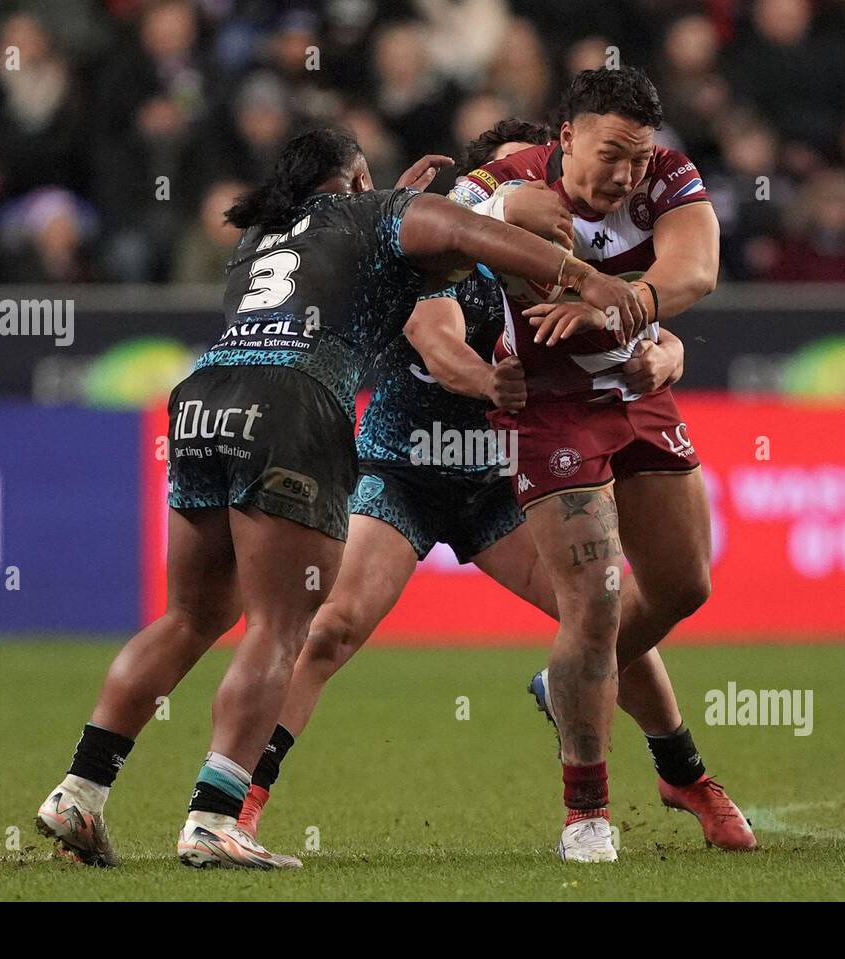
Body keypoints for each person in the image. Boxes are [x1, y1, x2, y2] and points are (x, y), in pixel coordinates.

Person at [34, 126, 644, 871]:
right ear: (356, 180)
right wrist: (587, 280)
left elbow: (380, 257)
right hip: (291, 406)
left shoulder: (261, 236)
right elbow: (470, 234)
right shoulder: (379, 214)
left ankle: (79, 793)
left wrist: (403, 199)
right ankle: (214, 819)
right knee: (279, 627)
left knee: (190, 616)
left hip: (202, 398)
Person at [237, 121, 748, 863]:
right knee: (333, 628)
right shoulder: (436, 259)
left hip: (502, 484)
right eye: (513, 183)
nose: (539, 201)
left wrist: (663, 356)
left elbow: (646, 339)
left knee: (594, 615)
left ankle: (686, 776)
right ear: (487, 194)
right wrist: (489, 382)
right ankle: (245, 799)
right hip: (404, 471)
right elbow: (438, 343)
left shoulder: (563, 266)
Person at [451, 66, 755, 861]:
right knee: (591, 604)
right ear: (566, 139)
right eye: (609, 155)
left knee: (687, 585)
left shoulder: (665, 175)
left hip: (636, 389)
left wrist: (629, 311)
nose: (624, 175)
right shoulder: (509, 181)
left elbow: (697, 268)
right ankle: (586, 815)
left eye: (637, 157)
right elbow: (428, 224)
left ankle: (568, 686)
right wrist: (498, 207)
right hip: (547, 409)